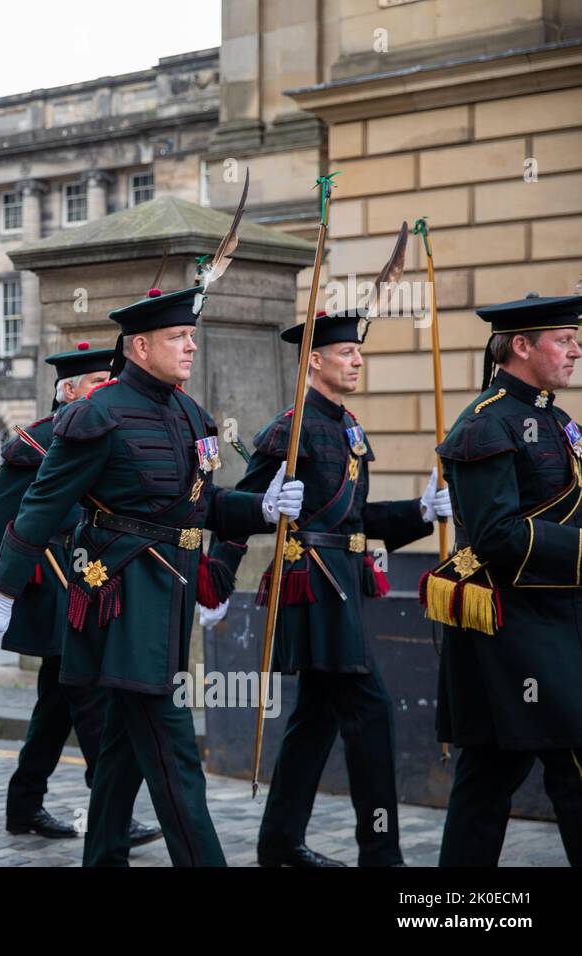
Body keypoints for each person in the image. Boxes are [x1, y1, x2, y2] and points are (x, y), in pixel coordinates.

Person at [0, 286, 303, 866]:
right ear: (140, 346)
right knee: (176, 756)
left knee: (123, 752)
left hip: (168, 597)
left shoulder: (189, 412)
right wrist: (0, 591)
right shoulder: (95, 414)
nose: (190, 348)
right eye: (178, 338)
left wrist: (262, 509)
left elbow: (202, 506)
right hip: (120, 603)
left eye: (193, 337)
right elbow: (40, 506)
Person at [202, 310, 449, 867]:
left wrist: (419, 511)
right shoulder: (288, 428)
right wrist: (218, 580)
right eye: (345, 353)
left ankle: (279, 843)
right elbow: (241, 507)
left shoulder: (349, 427)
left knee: (314, 722)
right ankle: (380, 854)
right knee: (373, 714)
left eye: (358, 353)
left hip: (344, 582)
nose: (357, 360)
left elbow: (356, 519)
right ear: (314, 361)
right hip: (312, 587)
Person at [0, 342, 161, 847]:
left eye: (110, 381)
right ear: (69, 390)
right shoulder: (36, 442)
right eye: (98, 383)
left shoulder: (112, 433)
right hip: (53, 582)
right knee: (94, 701)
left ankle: (24, 805)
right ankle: (112, 814)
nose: (108, 390)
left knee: (56, 704)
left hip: (91, 577)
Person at [423, 292, 582, 866]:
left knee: (489, 775)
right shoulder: (485, 425)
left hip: (555, 620)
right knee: (572, 764)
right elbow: (497, 538)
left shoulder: (555, 418)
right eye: (563, 340)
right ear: (521, 346)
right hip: (518, 631)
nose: (576, 351)